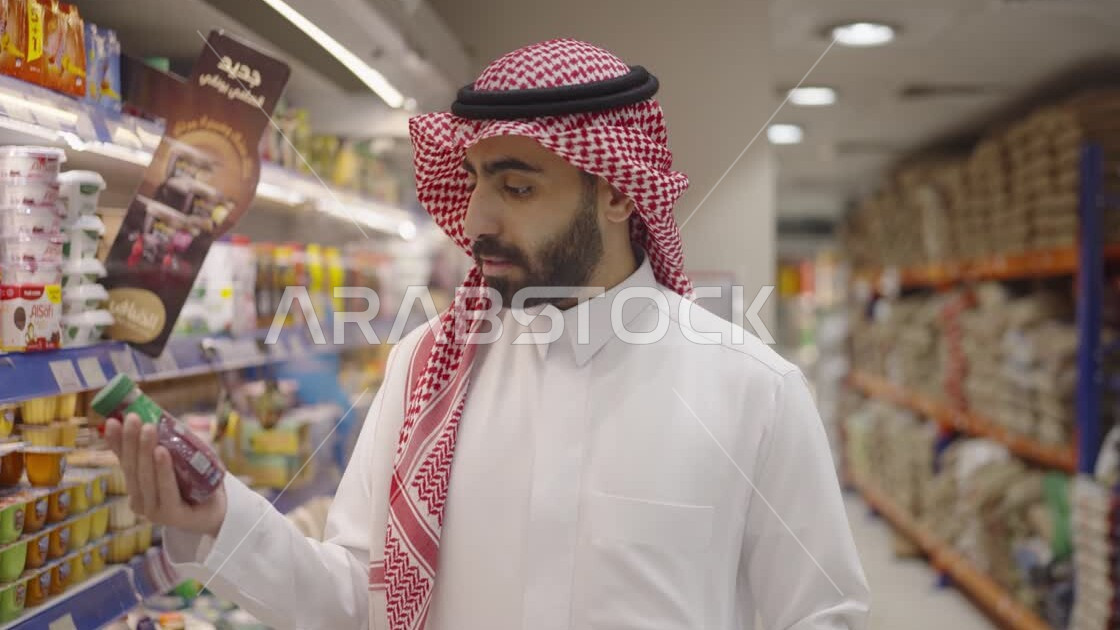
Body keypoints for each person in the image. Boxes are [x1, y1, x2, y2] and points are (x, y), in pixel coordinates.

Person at [105, 39, 870, 630]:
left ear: (613, 191)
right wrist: (220, 521)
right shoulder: (422, 371)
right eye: (473, 182)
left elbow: (819, 616)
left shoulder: (752, 391)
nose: (475, 222)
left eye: (517, 186)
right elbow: (357, 602)